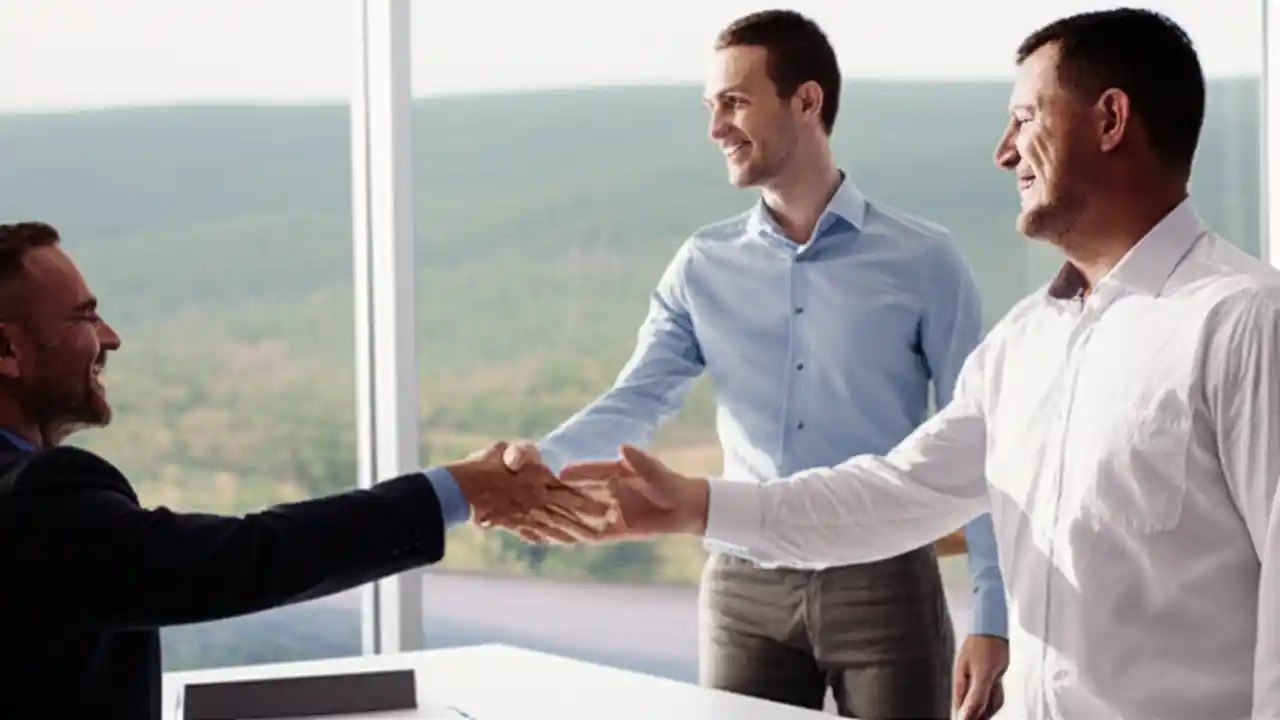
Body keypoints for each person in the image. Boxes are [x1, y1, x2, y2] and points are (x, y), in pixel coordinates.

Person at [556, 8, 1280, 720]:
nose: (1003, 150)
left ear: (1110, 120)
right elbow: (894, 495)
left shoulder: (1247, 323)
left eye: (1025, 117)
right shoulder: (1024, 345)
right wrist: (699, 505)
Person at [501, 9, 1008, 718]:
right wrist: (544, 460)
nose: (717, 129)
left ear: (807, 101)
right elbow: (637, 398)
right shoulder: (703, 265)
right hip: (742, 585)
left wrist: (992, 610)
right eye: (711, 108)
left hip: (884, 582)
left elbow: (978, 442)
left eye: (735, 103)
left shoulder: (924, 260)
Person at [0, 221, 606, 719]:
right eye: (83, 318)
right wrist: (456, 489)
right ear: (7, 351)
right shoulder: (36, 498)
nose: (111, 337)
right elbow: (247, 557)